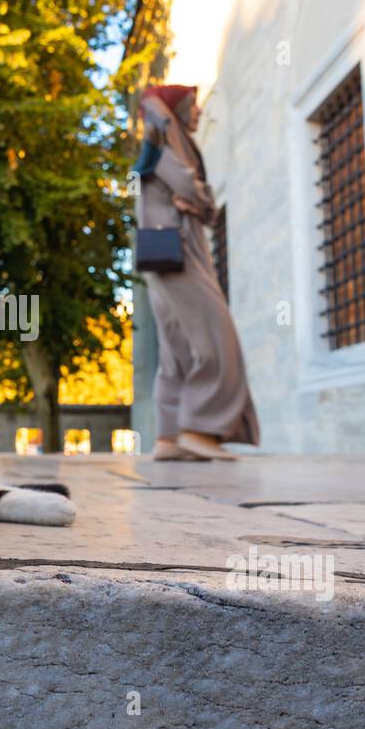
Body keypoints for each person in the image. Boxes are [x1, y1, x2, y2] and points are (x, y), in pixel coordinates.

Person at [132, 83, 259, 461]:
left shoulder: (153, 149)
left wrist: (195, 199)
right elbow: (193, 189)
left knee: (177, 348)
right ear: (177, 109)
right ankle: (200, 429)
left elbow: (189, 194)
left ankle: (169, 438)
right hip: (179, 253)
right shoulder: (168, 148)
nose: (200, 112)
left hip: (159, 257)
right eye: (193, 105)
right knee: (217, 338)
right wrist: (201, 199)